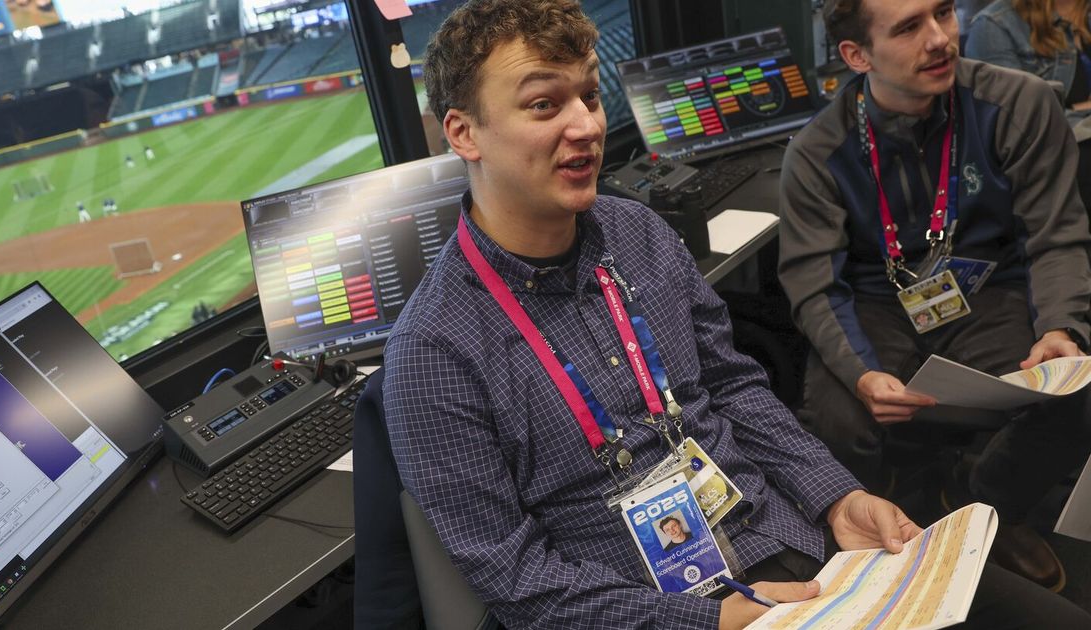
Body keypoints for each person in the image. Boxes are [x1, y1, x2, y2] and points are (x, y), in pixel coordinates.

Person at [383, 1, 1090, 627]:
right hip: (654, 607)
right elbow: (522, 585)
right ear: (463, 133)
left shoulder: (639, 235)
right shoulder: (433, 351)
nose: (586, 125)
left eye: (590, 97)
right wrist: (708, 621)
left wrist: (838, 499)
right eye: (544, 106)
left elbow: (735, 389)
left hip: (801, 548)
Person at [779, 0, 1091, 593]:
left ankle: (985, 509)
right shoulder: (818, 153)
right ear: (856, 55)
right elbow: (815, 287)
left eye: (943, 13)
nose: (940, 38)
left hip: (991, 289)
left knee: (1075, 389)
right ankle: (866, 550)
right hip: (876, 304)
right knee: (837, 417)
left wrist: (1061, 327)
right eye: (908, 27)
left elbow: (1056, 236)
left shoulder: (1018, 102)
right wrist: (861, 373)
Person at [966, 0, 1091, 111]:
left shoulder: (1085, 12)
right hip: (1063, 133)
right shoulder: (993, 25)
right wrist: (1079, 110)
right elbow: (1016, 119)